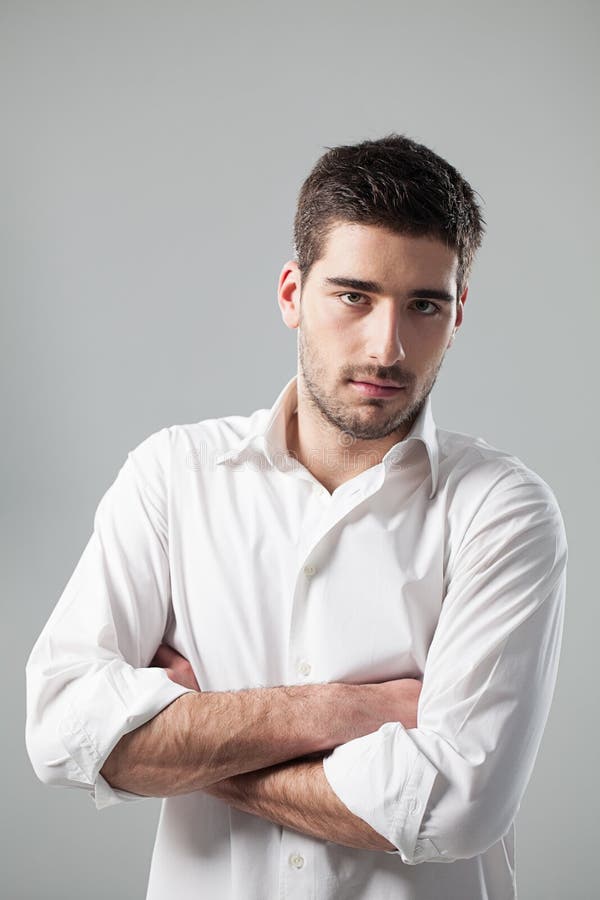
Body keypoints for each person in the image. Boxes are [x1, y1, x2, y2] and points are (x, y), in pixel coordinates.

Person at [25, 133, 568, 900]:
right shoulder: (174, 477)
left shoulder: (501, 511)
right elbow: (61, 729)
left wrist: (194, 735)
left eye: (423, 305)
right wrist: (352, 711)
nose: (388, 346)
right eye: (354, 296)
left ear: (457, 313)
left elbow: (456, 806)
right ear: (291, 295)